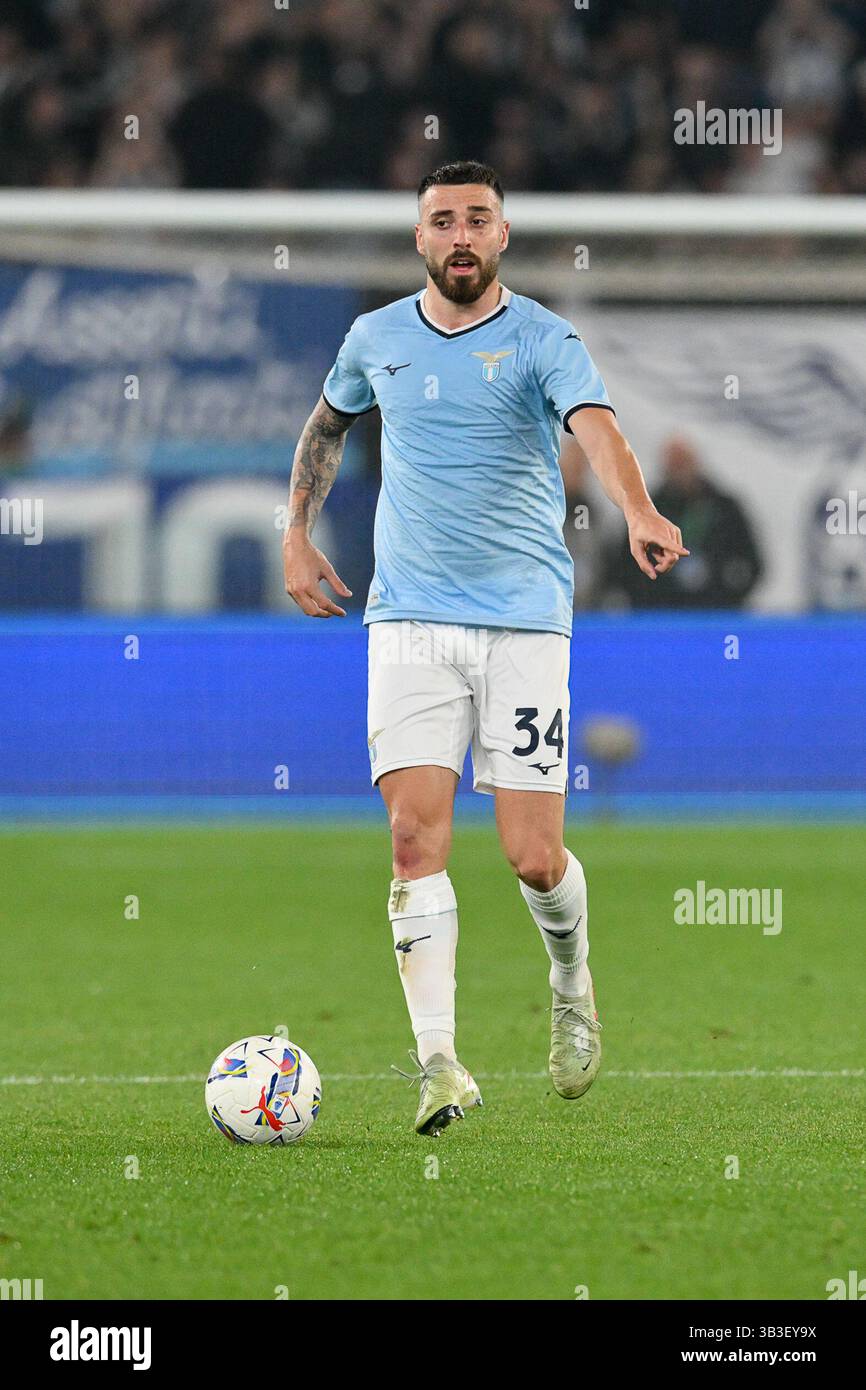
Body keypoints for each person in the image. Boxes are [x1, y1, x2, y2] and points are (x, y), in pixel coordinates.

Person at [282, 161, 687, 1137]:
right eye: (440, 221)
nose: (459, 235)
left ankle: (569, 977)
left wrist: (635, 508)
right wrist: (296, 529)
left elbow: (597, 428)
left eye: (476, 219)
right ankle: (439, 1065)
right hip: (409, 619)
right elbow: (327, 423)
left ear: (501, 236)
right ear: (419, 240)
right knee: (413, 837)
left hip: (521, 622)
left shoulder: (544, 338)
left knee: (531, 856)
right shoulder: (373, 338)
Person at [604, 435, 762, 609]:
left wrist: (730, 596)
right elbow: (625, 566)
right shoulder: (645, 512)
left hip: (716, 611)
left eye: (684, 463)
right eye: (675, 465)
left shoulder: (725, 508)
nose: (680, 471)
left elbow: (751, 562)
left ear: (696, 463)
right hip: (661, 614)